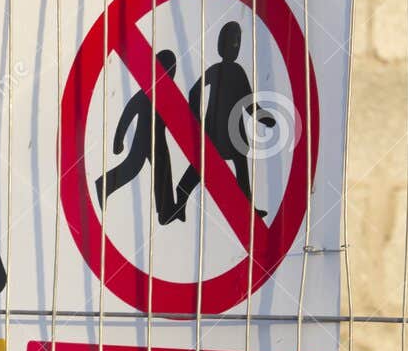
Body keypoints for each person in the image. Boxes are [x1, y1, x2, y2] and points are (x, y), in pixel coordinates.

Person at [172, 21, 277, 219]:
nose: (235, 47)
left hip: (229, 131)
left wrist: (264, 118)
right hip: (217, 130)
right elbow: (195, 92)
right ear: (223, 44)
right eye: (233, 42)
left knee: (230, 166)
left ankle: (246, 208)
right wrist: (199, 121)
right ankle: (182, 193)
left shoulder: (234, 71)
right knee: (202, 165)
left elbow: (248, 103)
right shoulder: (224, 70)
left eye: (238, 42)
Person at [94, 49, 187, 223]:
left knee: (163, 169)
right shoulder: (148, 92)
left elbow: (179, 119)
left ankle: (165, 211)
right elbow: (129, 111)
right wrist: (118, 139)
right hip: (144, 138)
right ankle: (103, 185)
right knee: (132, 168)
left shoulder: (168, 94)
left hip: (159, 140)